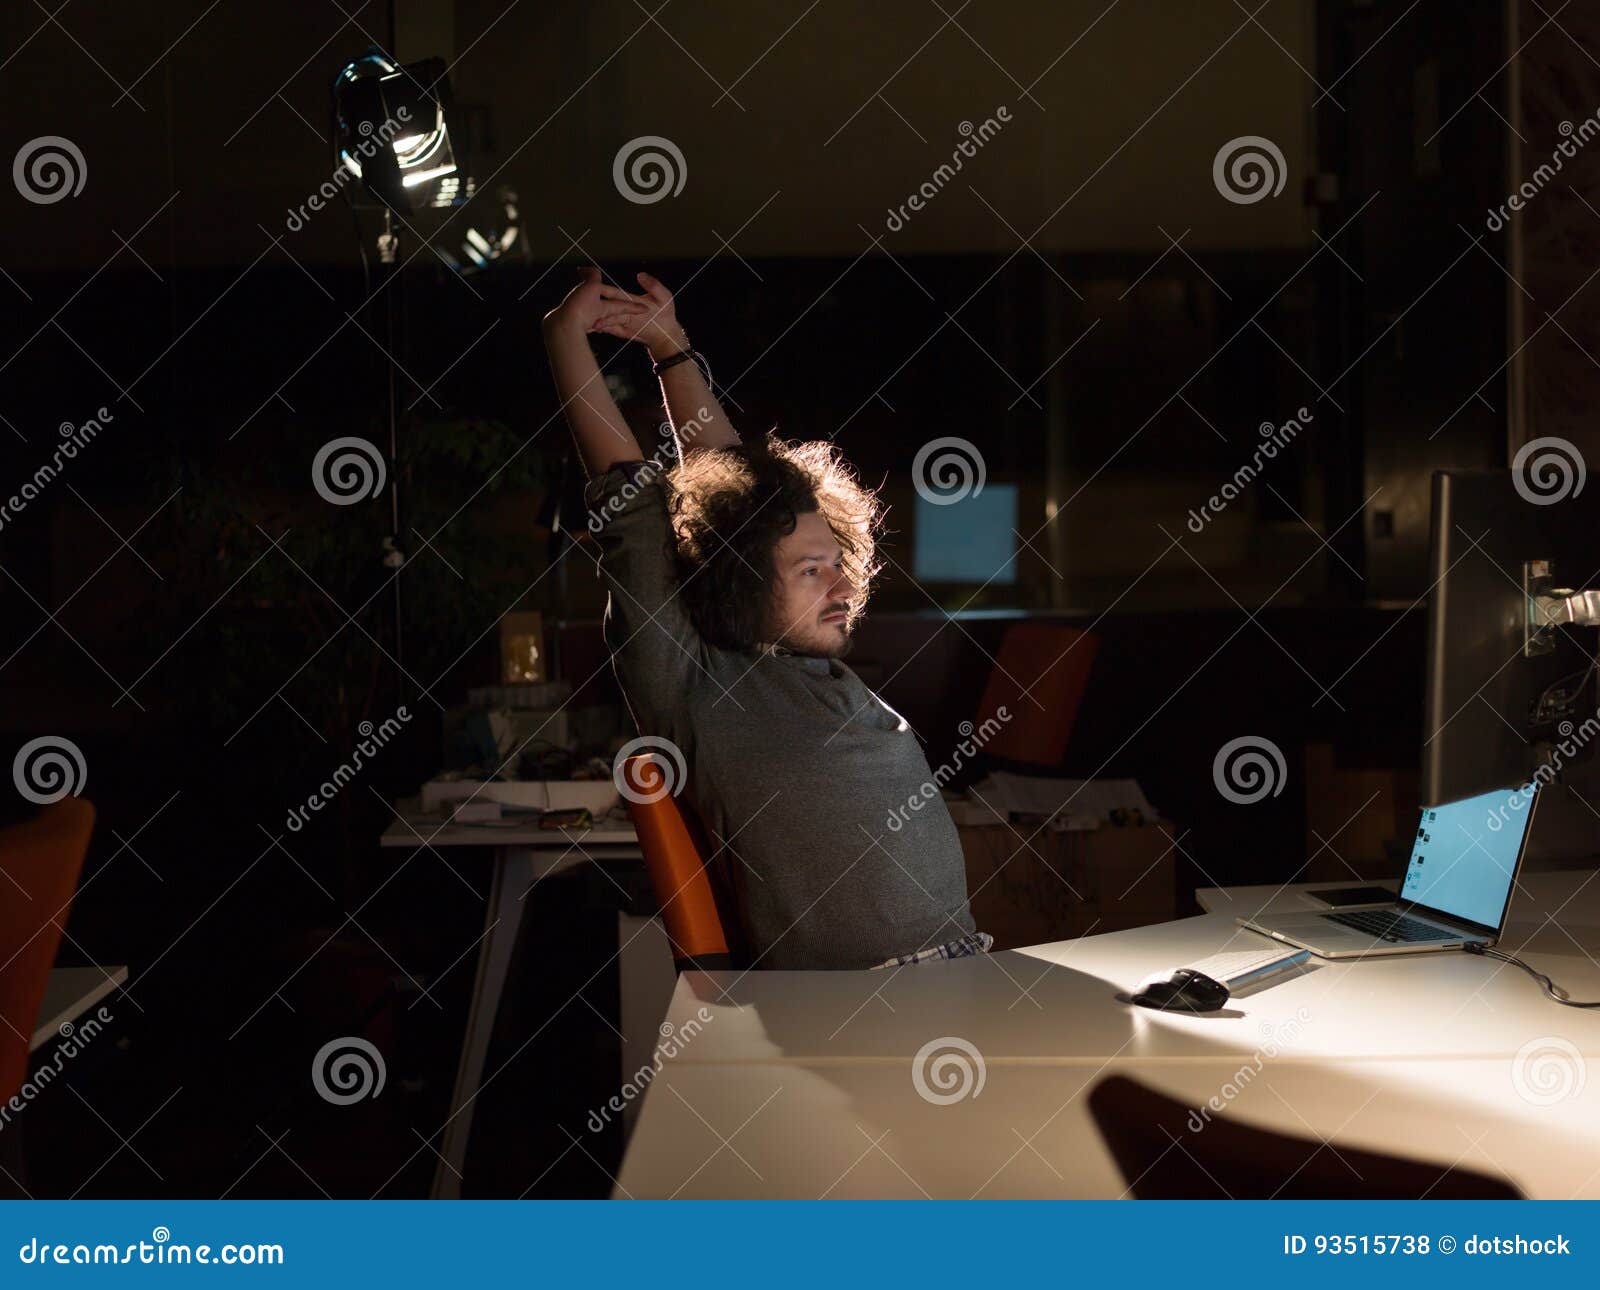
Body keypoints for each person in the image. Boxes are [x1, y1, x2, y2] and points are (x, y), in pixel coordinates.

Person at [542, 266, 988, 970]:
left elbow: (742, 491)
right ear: (742, 579)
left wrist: (673, 350)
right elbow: (629, 511)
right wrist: (564, 337)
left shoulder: (818, 667)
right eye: (811, 571)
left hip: (966, 979)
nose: (843, 584)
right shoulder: (697, 683)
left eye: (836, 561)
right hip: (866, 1016)